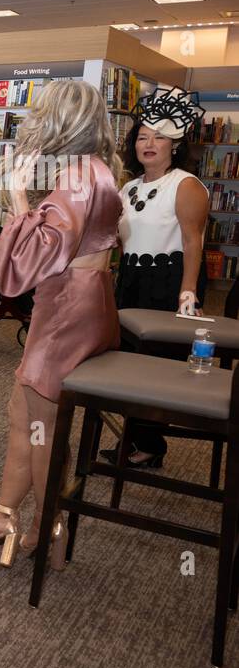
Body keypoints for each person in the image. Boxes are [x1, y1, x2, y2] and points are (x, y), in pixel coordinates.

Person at [0, 79, 122, 569]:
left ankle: (50, 525)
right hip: (74, 303)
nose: (32, 120)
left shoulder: (78, 177)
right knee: (22, 417)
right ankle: (5, 516)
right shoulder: (95, 170)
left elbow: (18, 271)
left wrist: (19, 204)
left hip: (67, 309)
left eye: (41, 112)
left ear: (59, 119)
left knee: (40, 425)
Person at [109, 85, 210, 469]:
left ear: (176, 145)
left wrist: (188, 293)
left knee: (157, 367)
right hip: (132, 278)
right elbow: (120, 240)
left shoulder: (185, 185)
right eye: (143, 137)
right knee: (127, 361)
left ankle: (150, 445)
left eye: (159, 138)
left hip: (169, 281)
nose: (148, 144)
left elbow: (193, 240)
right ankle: (136, 439)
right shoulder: (129, 187)